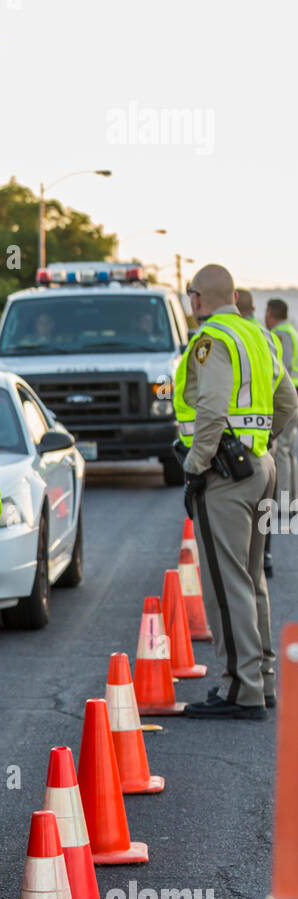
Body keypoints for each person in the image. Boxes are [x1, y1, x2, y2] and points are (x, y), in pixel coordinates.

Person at [174, 264, 298, 719]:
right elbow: (288, 402)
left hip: (224, 477)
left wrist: (195, 464)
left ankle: (240, 690)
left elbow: (210, 408)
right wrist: (259, 443)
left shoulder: (212, 340)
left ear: (198, 299)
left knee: (227, 585)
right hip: (260, 468)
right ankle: (261, 681)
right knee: (252, 580)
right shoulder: (258, 336)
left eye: (190, 296)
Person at [265, 298, 298, 512]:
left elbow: (282, 368)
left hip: (290, 396)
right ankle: (291, 501)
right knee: (288, 450)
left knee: (282, 450)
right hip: (295, 394)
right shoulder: (292, 331)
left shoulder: (282, 334)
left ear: (271, 314)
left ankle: (285, 505)